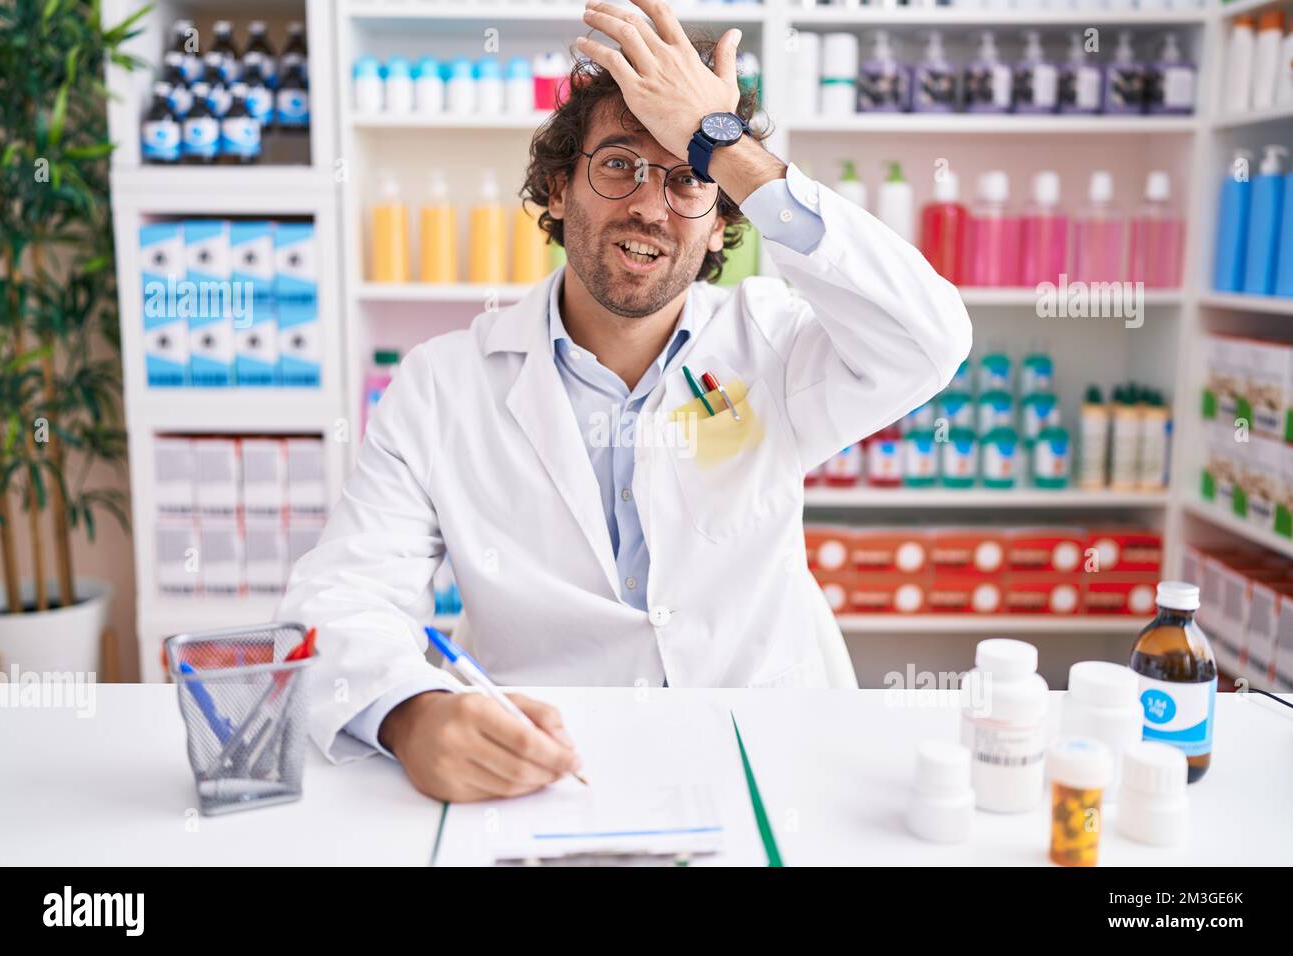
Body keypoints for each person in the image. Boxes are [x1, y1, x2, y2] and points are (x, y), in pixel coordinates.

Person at [277, 0, 972, 803]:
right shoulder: (442, 385)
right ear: (558, 189)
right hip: (546, 770)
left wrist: (722, 143)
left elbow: (931, 339)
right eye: (616, 166)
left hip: (764, 764)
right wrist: (406, 714)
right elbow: (340, 596)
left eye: (688, 181)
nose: (648, 205)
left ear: (722, 226)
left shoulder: (776, 348)